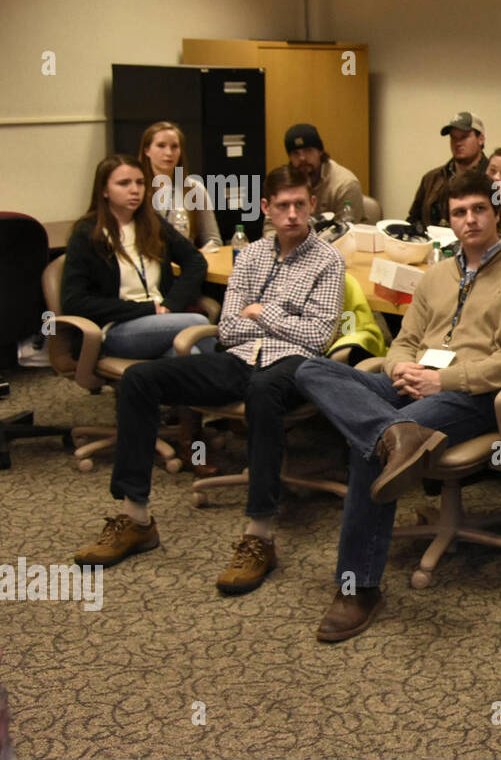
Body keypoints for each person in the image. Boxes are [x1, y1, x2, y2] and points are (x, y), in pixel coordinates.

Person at [296, 170, 501, 643]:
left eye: (479, 210)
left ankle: (358, 587)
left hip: (472, 397)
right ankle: (392, 434)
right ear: (448, 219)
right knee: (312, 370)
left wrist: (443, 380)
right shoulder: (436, 274)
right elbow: (405, 340)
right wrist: (399, 369)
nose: (469, 220)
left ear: (497, 212)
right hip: (413, 387)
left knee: (366, 447)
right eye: (459, 212)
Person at [71, 165, 346, 596]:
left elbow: (317, 336)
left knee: (263, 389)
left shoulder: (328, 260)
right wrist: (274, 318)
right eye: (283, 206)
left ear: (312, 205)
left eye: (300, 204)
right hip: (238, 359)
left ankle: (259, 536)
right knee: (142, 379)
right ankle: (136, 518)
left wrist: (263, 313)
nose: (292, 214)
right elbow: (230, 328)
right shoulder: (251, 255)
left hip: (291, 366)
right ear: (266, 208)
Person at [62, 155, 212, 359]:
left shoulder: (152, 224)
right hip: (116, 329)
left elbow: (195, 261)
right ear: (104, 191)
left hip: (164, 320)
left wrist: (171, 304)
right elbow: (74, 301)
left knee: (189, 355)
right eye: (124, 183)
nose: (135, 190)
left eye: (140, 183)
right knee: (198, 324)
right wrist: (145, 309)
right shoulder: (88, 234)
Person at [139, 121, 221, 249]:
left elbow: (213, 241)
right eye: (161, 146)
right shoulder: (136, 188)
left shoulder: (194, 188)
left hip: (184, 264)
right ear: (147, 150)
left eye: (174, 147)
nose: (169, 153)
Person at [407, 111, 489, 229]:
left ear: (480, 139)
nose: (458, 143)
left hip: (479, 245)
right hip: (433, 245)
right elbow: (413, 220)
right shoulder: (431, 179)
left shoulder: (496, 181)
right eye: (453, 137)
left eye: (464, 137)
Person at [285, 123, 365, 221]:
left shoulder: (345, 184)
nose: (302, 158)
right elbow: (270, 224)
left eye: (308, 151)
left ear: (320, 152)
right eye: (295, 153)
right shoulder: (284, 182)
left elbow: (348, 231)